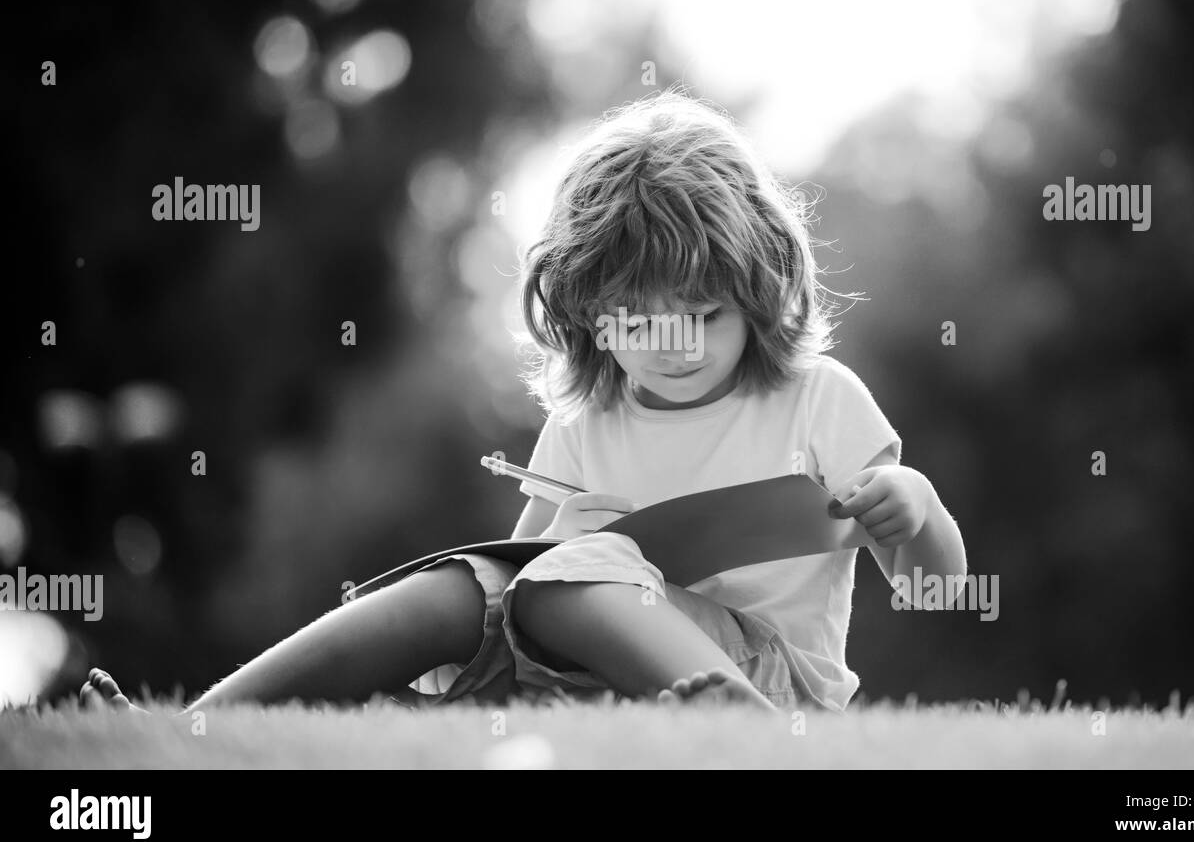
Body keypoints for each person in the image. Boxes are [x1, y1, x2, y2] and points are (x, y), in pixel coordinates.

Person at [80, 87, 966, 716]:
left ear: (760, 287)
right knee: (463, 591)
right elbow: (524, 590)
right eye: (639, 321)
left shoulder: (816, 400)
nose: (677, 346)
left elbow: (937, 590)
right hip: (596, 675)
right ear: (587, 315)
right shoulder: (584, 424)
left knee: (575, 572)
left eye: (704, 313)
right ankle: (190, 727)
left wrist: (916, 511)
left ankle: (743, 731)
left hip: (779, 690)